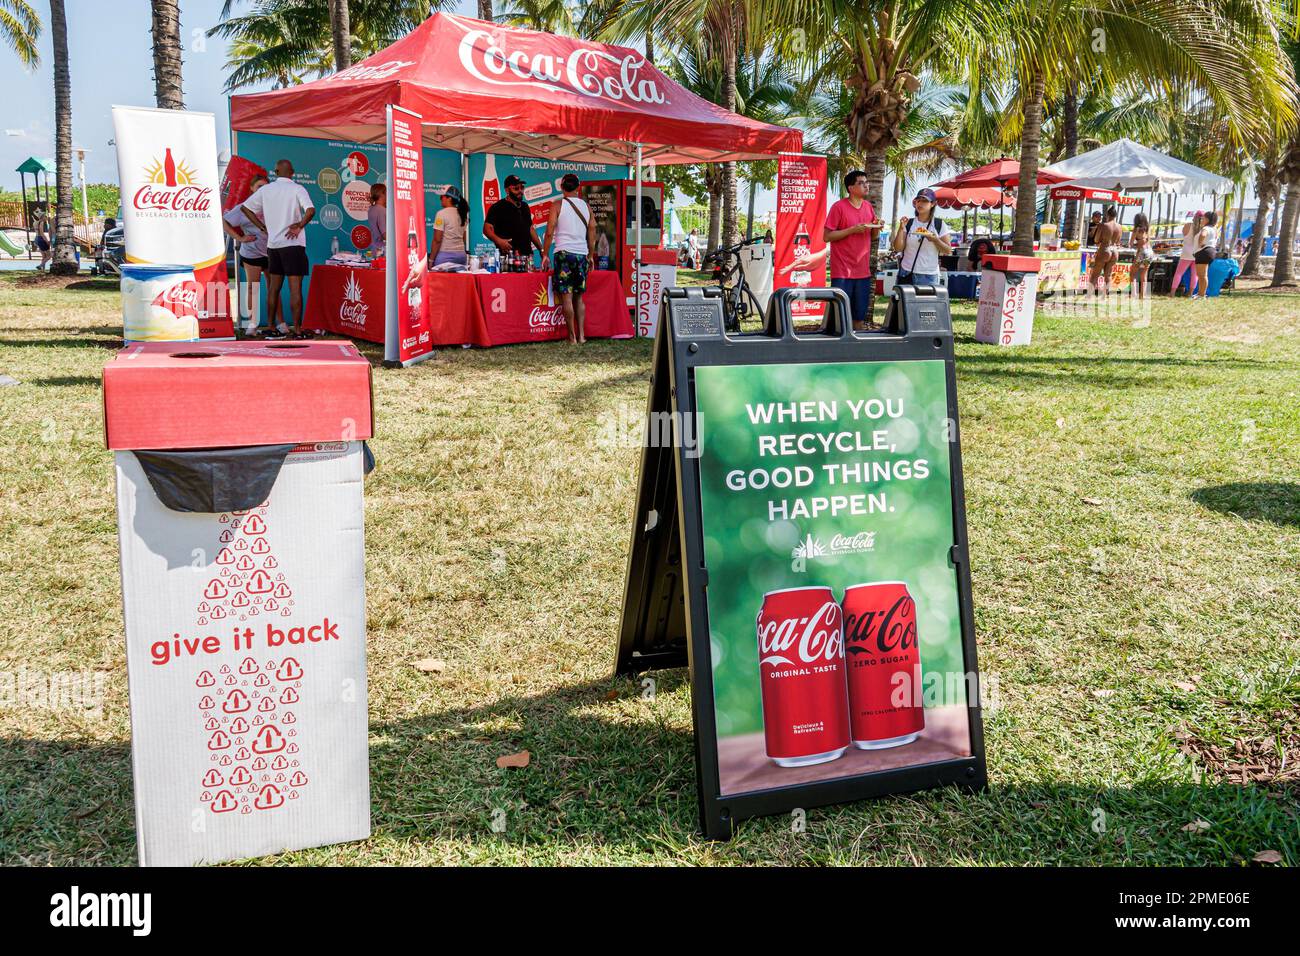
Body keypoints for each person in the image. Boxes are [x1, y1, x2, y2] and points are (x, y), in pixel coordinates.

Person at [241, 159, 316, 337]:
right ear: (293, 172)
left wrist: (261, 226)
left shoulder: (266, 190)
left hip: (273, 246)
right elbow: (311, 210)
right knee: (295, 288)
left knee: (273, 288)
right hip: (293, 245)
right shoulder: (298, 188)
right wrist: (299, 225)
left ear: (275, 172)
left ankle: (271, 328)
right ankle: (297, 330)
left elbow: (246, 208)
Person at [823, 169, 883, 330]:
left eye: (867, 182)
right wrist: (852, 230)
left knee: (859, 318)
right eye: (861, 183)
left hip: (863, 272)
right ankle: (839, 351)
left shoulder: (868, 207)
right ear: (850, 188)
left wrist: (878, 227)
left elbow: (873, 236)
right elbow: (827, 236)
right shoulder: (838, 207)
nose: (866, 185)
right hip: (842, 272)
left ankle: (858, 351)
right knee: (841, 318)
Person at [544, 173, 596, 344]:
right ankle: (582, 336)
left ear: (561, 187)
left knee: (567, 296)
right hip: (581, 255)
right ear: (578, 187)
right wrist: (590, 255)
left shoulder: (557, 205)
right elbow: (592, 232)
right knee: (579, 298)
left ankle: (572, 337)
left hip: (563, 254)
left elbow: (550, 231)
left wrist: (544, 254)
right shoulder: (586, 207)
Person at [223, 174, 269, 332]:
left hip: (273, 251)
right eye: (259, 187)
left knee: (274, 288)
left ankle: (278, 324)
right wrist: (239, 237)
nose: (262, 190)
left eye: (265, 187)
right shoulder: (243, 207)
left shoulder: (274, 205)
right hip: (252, 252)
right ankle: (252, 324)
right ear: (252, 188)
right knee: (252, 288)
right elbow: (224, 221)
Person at [484, 174, 548, 268]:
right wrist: (499, 241)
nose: (520, 191)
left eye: (522, 188)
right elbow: (486, 229)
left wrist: (541, 250)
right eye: (516, 188)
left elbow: (530, 229)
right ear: (507, 190)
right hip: (508, 259)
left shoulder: (525, 206)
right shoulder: (497, 207)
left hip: (527, 258)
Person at [891, 187, 952, 286]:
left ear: (933, 204)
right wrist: (901, 228)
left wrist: (935, 240)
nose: (920, 203)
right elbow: (898, 248)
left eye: (925, 201)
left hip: (929, 275)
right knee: (905, 301)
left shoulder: (939, 224)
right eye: (918, 200)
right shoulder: (909, 223)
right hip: (907, 272)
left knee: (926, 302)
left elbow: (948, 250)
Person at [429, 185, 469, 267]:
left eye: (441, 196)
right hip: (461, 256)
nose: (440, 199)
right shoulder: (463, 214)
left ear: (449, 198)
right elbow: (463, 238)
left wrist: (431, 260)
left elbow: (437, 240)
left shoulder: (441, 214)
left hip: (445, 257)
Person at [1086, 205, 1122, 292]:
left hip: (1105, 249)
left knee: (1095, 274)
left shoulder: (1103, 225)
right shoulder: (1119, 226)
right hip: (1114, 250)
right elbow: (1118, 242)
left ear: (1107, 215)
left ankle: (1089, 295)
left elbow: (1096, 239)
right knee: (1108, 275)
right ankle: (1105, 295)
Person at [1169, 211, 1204, 298]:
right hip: (1197, 253)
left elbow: (1184, 235)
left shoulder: (1188, 225)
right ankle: (1190, 293)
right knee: (1194, 275)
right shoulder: (1203, 229)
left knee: (1179, 273)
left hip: (1186, 253)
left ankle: (1172, 293)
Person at [1192, 210, 1220, 301]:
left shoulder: (1206, 228)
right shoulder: (1214, 229)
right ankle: (1200, 294)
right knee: (1203, 275)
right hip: (1210, 251)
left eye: (1203, 218)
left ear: (1207, 219)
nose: (1202, 220)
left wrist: (1200, 243)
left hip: (1203, 251)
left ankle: (1201, 295)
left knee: (1202, 275)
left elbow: (1203, 235)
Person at [1130, 212, 1153, 300]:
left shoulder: (1136, 229)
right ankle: (1142, 296)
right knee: (1144, 275)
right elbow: (1148, 241)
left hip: (1142, 252)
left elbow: (1131, 244)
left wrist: (1136, 244)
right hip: (1150, 252)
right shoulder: (1148, 228)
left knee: (1133, 274)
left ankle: (1134, 294)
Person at [366, 183, 387, 257]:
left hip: (374, 249)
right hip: (382, 251)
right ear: (382, 194)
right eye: (387, 192)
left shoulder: (371, 209)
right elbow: (385, 234)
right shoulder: (382, 210)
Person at [32, 206, 51, 271]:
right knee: (49, 255)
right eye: (45, 216)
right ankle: (40, 266)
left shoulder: (35, 223)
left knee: (43, 255)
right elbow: (42, 233)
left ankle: (43, 269)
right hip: (41, 239)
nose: (46, 217)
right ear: (42, 217)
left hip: (37, 238)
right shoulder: (41, 223)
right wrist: (47, 241)